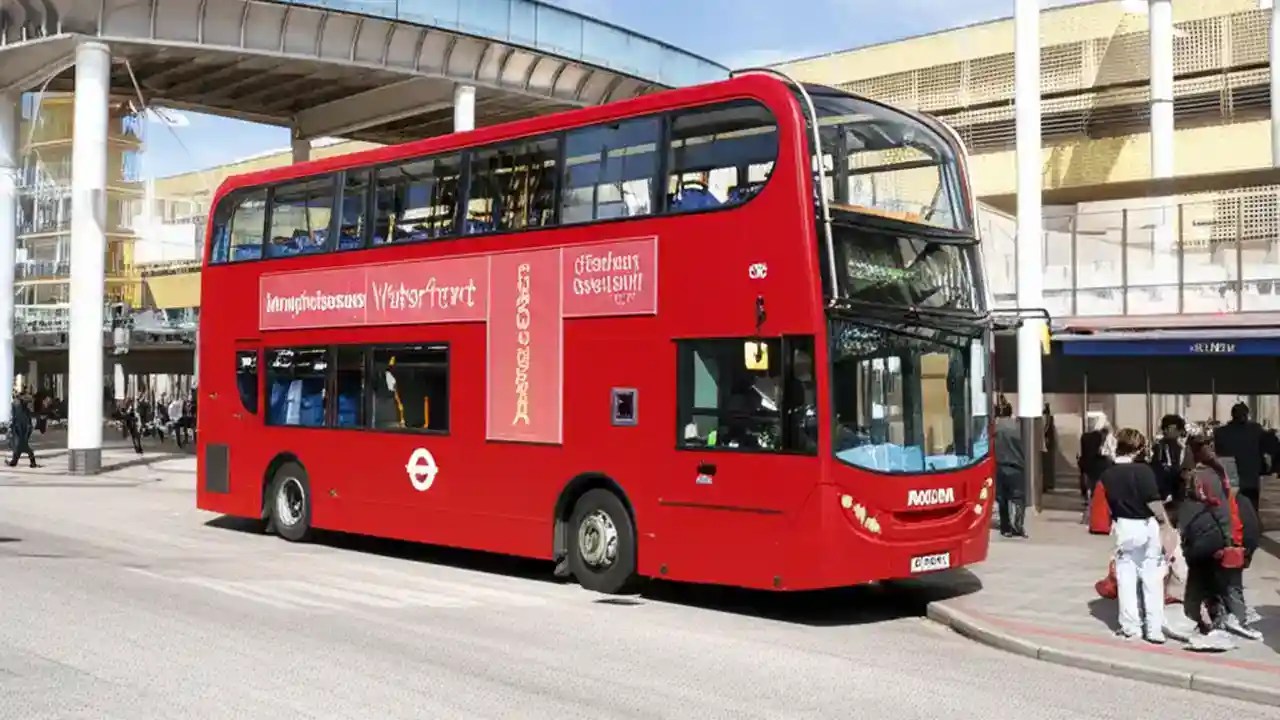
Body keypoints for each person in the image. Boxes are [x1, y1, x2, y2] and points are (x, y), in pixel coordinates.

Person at [1180, 436, 1261, 641]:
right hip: (1214, 535)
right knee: (1229, 582)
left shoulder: (1194, 474)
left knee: (1200, 578)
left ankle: (1195, 616)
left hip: (1198, 534)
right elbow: (1222, 512)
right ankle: (1235, 619)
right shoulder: (1214, 476)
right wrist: (1230, 539)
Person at [1097, 428, 1173, 643]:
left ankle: (1131, 627)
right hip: (1146, 525)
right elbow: (1153, 502)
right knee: (1152, 578)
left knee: (1126, 579)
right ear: (1138, 448)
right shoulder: (1144, 471)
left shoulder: (1108, 473)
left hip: (1123, 526)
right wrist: (1165, 525)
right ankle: (1154, 629)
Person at [1213, 403, 1265, 512]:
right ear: (1246, 414)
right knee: (1251, 511)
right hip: (1251, 480)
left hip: (1229, 479)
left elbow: (1218, 453)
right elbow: (1265, 449)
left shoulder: (1221, 432)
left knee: (1230, 512)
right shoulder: (1256, 430)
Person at [993, 400, 1026, 538]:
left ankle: (1005, 527)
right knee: (1018, 498)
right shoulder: (1018, 426)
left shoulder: (994, 427)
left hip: (999, 466)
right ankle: (1018, 526)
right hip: (1016, 466)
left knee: (1002, 498)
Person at [7, 391, 38, 468]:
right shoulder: (23, 404)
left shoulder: (17, 404)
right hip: (23, 426)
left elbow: (13, 416)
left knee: (20, 444)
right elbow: (27, 415)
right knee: (20, 444)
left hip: (20, 426)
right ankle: (17, 461)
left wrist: (11, 426)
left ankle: (15, 461)